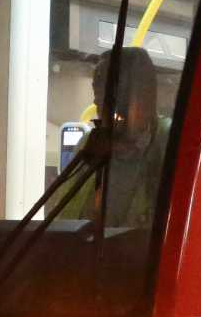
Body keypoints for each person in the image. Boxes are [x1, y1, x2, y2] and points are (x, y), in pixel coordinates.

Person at [59, 49, 169, 229]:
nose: (102, 108)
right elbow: (64, 212)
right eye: (99, 99)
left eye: (116, 101)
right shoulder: (90, 142)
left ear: (148, 96)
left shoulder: (172, 142)